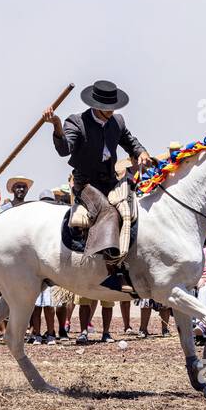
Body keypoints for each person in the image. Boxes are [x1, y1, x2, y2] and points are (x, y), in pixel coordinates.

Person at [45, 80, 150, 294]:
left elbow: (131, 142)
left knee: (133, 208)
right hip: (85, 184)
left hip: (110, 181)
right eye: (108, 108)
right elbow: (65, 149)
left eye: (113, 107)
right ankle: (114, 271)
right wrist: (56, 125)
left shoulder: (117, 122)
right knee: (109, 213)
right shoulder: (76, 122)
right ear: (96, 106)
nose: (112, 111)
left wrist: (142, 153)